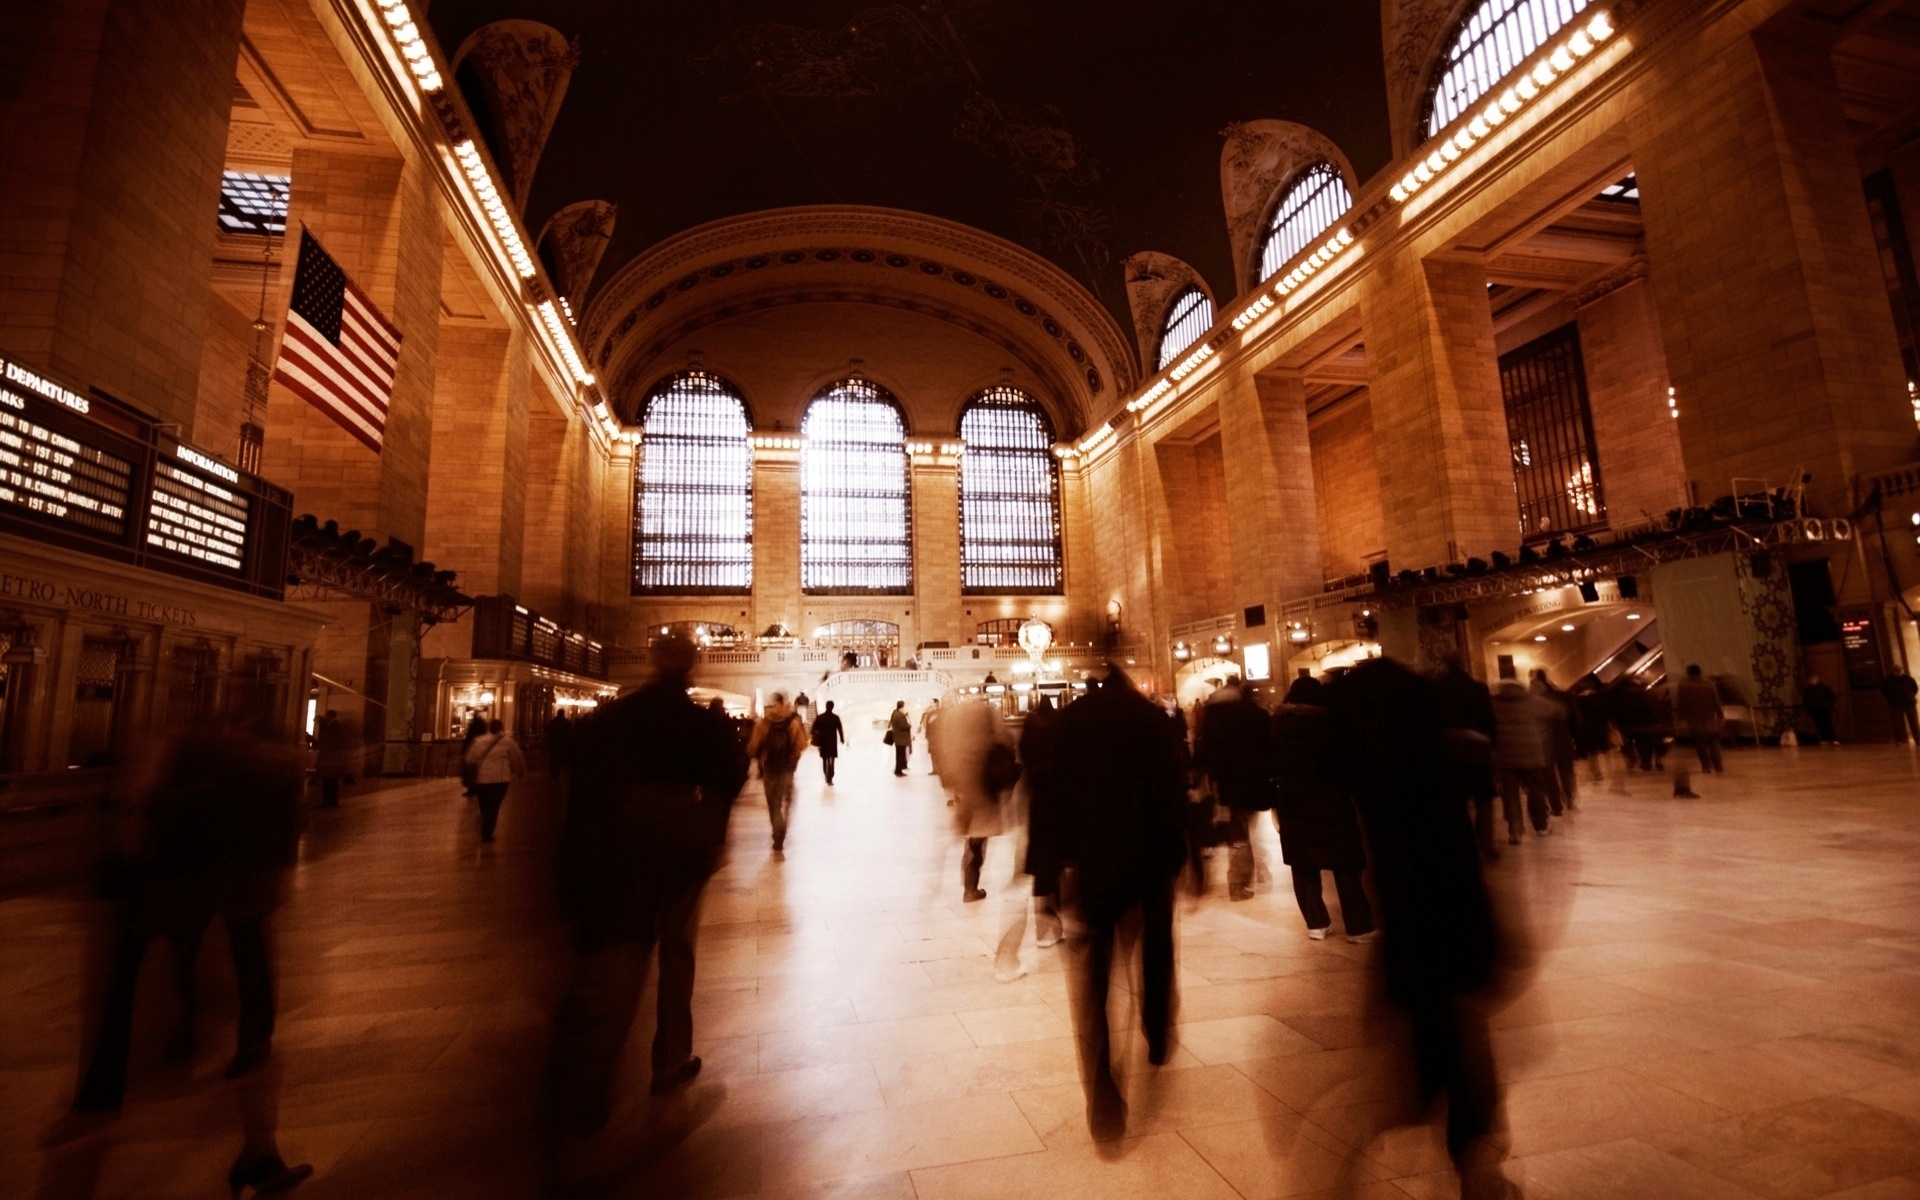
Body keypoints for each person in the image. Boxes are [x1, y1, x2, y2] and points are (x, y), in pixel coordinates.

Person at [63, 720, 313, 1195]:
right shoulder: (244, 798)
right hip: (213, 930)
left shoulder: (183, 794)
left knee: (114, 1060)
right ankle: (258, 1156)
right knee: (252, 1034)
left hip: (180, 932)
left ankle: (258, 1155)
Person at [548, 634, 747, 1139]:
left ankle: (589, 1090)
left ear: (653, 662)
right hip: (682, 853)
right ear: (692, 665)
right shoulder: (700, 721)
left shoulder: (622, 715)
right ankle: (669, 1061)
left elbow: (585, 778)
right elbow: (733, 771)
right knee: (678, 956)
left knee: (623, 964)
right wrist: (712, 828)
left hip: (626, 853)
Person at [1324, 658, 1507, 1200]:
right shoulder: (1438, 754)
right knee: (1459, 1042)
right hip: (1456, 913)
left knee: (1433, 1046)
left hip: (1412, 920)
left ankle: (1458, 1158)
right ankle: (1475, 1164)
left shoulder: (1373, 772)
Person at [1055, 664, 1187, 1140]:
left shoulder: (1074, 718)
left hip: (1095, 862)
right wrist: (1179, 855)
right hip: (1149, 858)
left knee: (1093, 978)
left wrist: (1045, 875)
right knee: (1156, 949)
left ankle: (1104, 1095)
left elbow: (1051, 797)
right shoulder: (1150, 719)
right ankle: (1155, 1021)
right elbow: (1173, 788)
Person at [1272, 677, 1375, 941]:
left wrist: (1275, 803)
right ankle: (1359, 926)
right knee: (1346, 864)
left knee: (1303, 862)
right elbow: (1348, 765)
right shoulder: (1331, 725)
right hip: (1331, 802)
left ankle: (1316, 923)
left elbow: (1270, 767)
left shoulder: (1278, 726)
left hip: (1293, 803)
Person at [1193, 677, 1276, 901]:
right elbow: (1268, 749)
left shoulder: (1218, 717)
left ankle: (1243, 878)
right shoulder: (1258, 716)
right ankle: (1239, 883)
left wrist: (1204, 777)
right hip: (1253, 781)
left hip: (1227, 782)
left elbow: (1207, 748)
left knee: (1238, 831)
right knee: (1244, 831)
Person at [1432, 655, 1498, 859]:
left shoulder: (1436, 689)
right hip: (1477, 748)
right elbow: (1489, 720)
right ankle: (1486, 842)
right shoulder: (1478, 689)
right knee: (1484, 799)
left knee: (1456, 801)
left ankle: (1462, 843)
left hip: (1449, 751)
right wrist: (1492, 744)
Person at [1019, 695, 1067, 948]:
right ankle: (1052, 926)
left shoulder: (1030, 728)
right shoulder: (1058, 729)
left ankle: (1045, 929)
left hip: (1038, 806)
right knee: (1054, 866)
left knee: (1043, 867)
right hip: (1057, 805)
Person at [1491, 675, 1560, 841]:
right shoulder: (1531, 700)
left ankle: (1515, 829)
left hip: (1505, 754)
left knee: (1510, 794)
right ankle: (1541, 825)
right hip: (1531, 754)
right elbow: (1557, 711)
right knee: (1536, 790)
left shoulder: (1493, 703)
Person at [748, 692, 806, 852]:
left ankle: (777, 831)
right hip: (787, 768)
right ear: (784, 702)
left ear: (773, 703)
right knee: (787, 800)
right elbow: (801, 744)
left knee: (773, 804)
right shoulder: (792, 723)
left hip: (770, 768)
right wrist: (792, 760)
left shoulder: (764, 723)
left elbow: (752, 747)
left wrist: (758, 758)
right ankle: (782, 828)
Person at [1529, 669, 1582, 812]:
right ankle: (1569, 797)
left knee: (1548, 774)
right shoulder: (1562, 696)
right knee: (1566, 771)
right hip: (1563, 739)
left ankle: (1555, 803)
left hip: (1543, 741)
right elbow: (1575, 719)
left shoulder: (1534, 700)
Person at [465, 719, 525, 843]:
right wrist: (520, 771)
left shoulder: (478, 741)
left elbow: (470, 759)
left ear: (489, 728)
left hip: (482, 779)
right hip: (500, 779)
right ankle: (488, 831)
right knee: (494, 805)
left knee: (484, 805)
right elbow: (517, 757)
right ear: (501, 728)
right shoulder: (508, 742)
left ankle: (485, 827)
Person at [1675, 664, 1725, 782]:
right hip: (1709, 719)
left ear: (1688, 673)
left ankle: (1706, 765)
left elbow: (1681, 703)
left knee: (1700, 744)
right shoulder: (1709, 685)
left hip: (1694, 719)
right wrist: (1721, 715)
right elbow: (1716, 701)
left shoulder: (1683, 685)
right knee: (1713, 741)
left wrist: (1680, 718)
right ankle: (1718, 764)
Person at [314, 709, 352, 808]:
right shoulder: (335, 724)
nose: (325, 716)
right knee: (332, 782)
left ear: (330, 715)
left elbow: (330, 741)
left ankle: (329, 801)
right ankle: (331, 801)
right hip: (333, 758)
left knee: (329, 781)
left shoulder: (334, 724)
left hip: (331, 758)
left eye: (326, 715)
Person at [810, 699, 846, 784]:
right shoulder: (835, 718)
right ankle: (830, 775)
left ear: (826, 706)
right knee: (832, 759)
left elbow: (813, 729)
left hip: (823, 742)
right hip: (832, 742)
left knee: (824, 759)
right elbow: (840, 729)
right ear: (832, 707)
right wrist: (842, 739)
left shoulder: (820, 717)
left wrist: (817, 733)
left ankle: (826, 775)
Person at [1881, 665, 1919, 744]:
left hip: (1909, 703)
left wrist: (1910, 696)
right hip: (1895, 704)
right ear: (1893, 672)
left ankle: (1918, 739)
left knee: (1913, 722)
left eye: (1899, 670)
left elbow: (1915, 689)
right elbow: (1884, 691)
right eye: (1896, 671)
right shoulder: (1887, 681)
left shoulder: (1909, 679)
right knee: (1897, 723)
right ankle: (1899, 739)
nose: (1898, 672)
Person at [1802, 674, 1839, 745]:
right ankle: (1824, 739)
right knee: (1820, 725)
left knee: (1828, 724)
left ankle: (1833, 739)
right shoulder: (1808, 690)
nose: (1812, 681)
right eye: (1811, 679)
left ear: (1817, 679)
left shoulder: (1824, 687)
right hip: (1815, 711)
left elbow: (1833, 696)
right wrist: (1810, 708)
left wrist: (1828, 704)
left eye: (1813, 679)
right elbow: (1806, 701)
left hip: (1824, 709)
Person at [459, 710, 487, 798]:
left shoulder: (472, 726)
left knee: (471, 771)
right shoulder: (483, 727)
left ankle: (472, 788)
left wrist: (464, 752)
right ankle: (478, 788)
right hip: (481, 751)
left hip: (471, 750)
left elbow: (468, 738)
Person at [887, 700, 913, 776]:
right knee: (900, 756)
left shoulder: (895, 713)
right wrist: (909, 725)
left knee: (899, 755)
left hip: (899, 738)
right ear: (902, 707)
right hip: (901, 739)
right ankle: (898, 771)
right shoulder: (899, 715)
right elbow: (904, 726)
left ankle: (898, 770)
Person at [545, 709, 572, 779]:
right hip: (563, 744)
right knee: (561, 759)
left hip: (553, 743)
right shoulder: (567, 723)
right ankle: (559, 772)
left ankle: (553, 772)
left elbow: (547, 730)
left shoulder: (552, 722)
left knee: (553, 758)